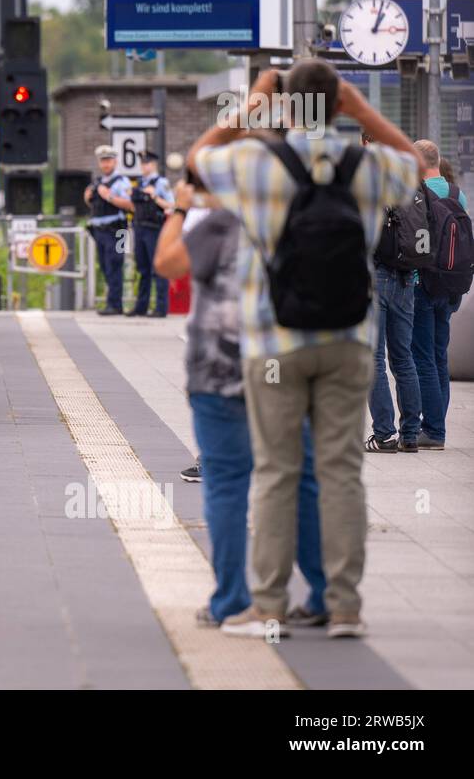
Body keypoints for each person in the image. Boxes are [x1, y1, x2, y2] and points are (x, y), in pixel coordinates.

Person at [188, 60, 419, 640]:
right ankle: (343, 606)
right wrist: (359, 110)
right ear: (338, 101)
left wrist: (253, 103)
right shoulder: (366, 164)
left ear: (285, 103)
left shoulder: (255, 161)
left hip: (273, 342)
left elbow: (197, 160)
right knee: (341, 471)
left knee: (275, 471)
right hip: (349, 341)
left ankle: (266, 606)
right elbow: (418, 165)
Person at [154, 178, 327, 627]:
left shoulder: (221, 224)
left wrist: (178, 208)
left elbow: (167, 264)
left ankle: (231, 600)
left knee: (226, 483)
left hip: (221, 372)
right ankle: (326, 595)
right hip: (289, 369)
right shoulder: (305, 218)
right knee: (302, 480)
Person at [364, 134, 425, 455]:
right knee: (404, 357)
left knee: (373, 358)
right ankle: (411, 434)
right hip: (407, 279)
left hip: (376, 278)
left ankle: (384, 434)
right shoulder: (412, 185)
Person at [410, 140, 469, 451]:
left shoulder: (418, 193)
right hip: (451, 285)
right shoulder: (458, 194)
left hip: (423, 283)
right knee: (439, 355)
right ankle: (438, 423)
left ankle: (433, 429)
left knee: (422, 358)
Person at [84, 144, 133, 316]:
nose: (106, 164)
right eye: (103, 161)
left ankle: (116, 304)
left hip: (119, 230)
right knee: (105, 266)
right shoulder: (97, 182)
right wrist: (88, 198)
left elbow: (130, 205)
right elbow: (96, 205)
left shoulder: (122, 182)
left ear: (115, 162)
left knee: (116, 264)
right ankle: (111, 302)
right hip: (100, 230)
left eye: (109, 161)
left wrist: (109, 196)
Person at [128, 149, 173, 317]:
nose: (144, 166)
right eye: (142, 163)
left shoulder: (161, 183)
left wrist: (154, 197)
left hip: (154, 229)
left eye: (146, 163)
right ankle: (141, 306)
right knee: (143, 269)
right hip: (139, 227)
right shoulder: (138, 183)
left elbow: (170, 205)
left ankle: (161, 308)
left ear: (153, 165)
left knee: (157, 269)